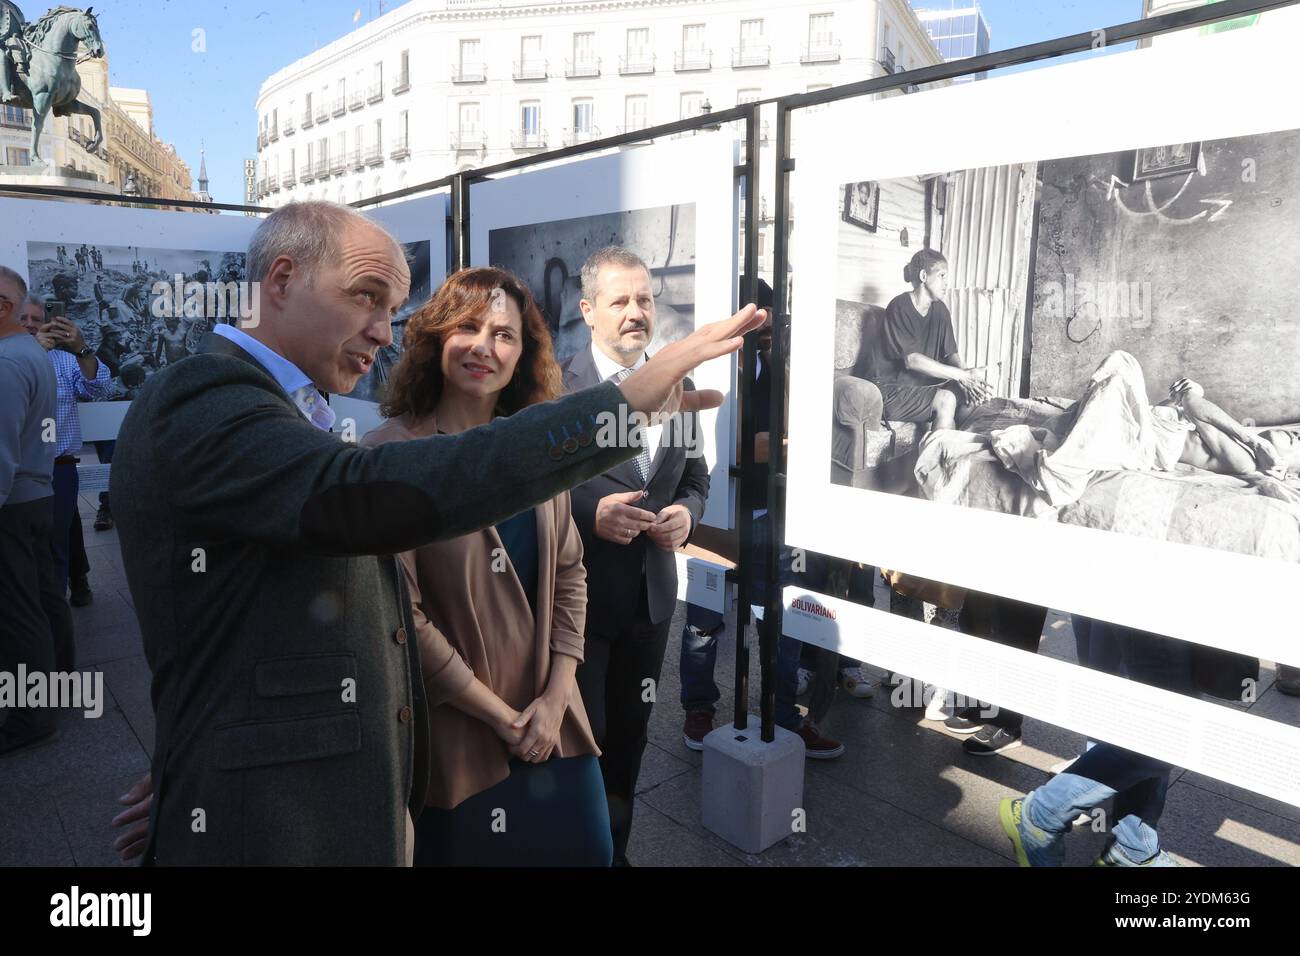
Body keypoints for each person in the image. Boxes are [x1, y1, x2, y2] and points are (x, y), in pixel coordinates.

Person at [106, 201, 762, 865]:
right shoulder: (202, 394)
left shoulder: (279, 410)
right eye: (365, 297)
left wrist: (201, 737)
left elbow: (257, 622)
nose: (383, 332)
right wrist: (618, 407)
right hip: (291, 820)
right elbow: (369, 505)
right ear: (280, 281)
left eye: (391, 309)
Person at [362, 267, 612, 866]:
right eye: (467, 327)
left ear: (523, 354)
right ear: (435, 339)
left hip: (556, 722)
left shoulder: (538, 447)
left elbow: (571, 573)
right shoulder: (391, 454)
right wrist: (503, 718)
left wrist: (554, 699)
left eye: (504, 334)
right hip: (461, 733)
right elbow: (401, 617)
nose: (484, 346)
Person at [562, 246, 710, 865]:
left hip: (650, 602)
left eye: (644, 299)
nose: (635, 313)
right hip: (577, 603)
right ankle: (574, 850)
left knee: (630, 737)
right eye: (619, 301)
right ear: (588, 310)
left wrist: (688, 516)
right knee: (580, 741)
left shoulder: (682, 383)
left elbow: (695, 478)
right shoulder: (555, 386)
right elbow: (528, 486)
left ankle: (614, 853)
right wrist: (586, 513)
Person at [0, 265, 67, 756]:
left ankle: (31, 716)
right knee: (44, 598)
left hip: (14, 502)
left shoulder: (7, 361)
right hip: (36, 494)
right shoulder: (27, 353)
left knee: (17, 611)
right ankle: (56, 687)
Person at [19, 295, 110, 643]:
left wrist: (83, 348)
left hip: (59, 468)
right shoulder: (6, 359)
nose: (30, 324)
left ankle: (52, 623)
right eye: (23, 318)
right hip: (15, 471)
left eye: (36, 318)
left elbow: (98, 388)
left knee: (55, 544)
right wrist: (33, 355)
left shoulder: (64, 359)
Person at [864, 248, 990, 430]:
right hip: (886, 389)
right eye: (942, 275)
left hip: (919, 385)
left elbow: (951, 353)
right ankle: (939, 457)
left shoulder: (940, 310)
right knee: (946, 401)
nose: (947, 282)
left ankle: (956, 452)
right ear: (924, 276)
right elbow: (911, 360)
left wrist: (968, 379)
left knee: (973, 399)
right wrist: (962, 376)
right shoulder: (900, 306)